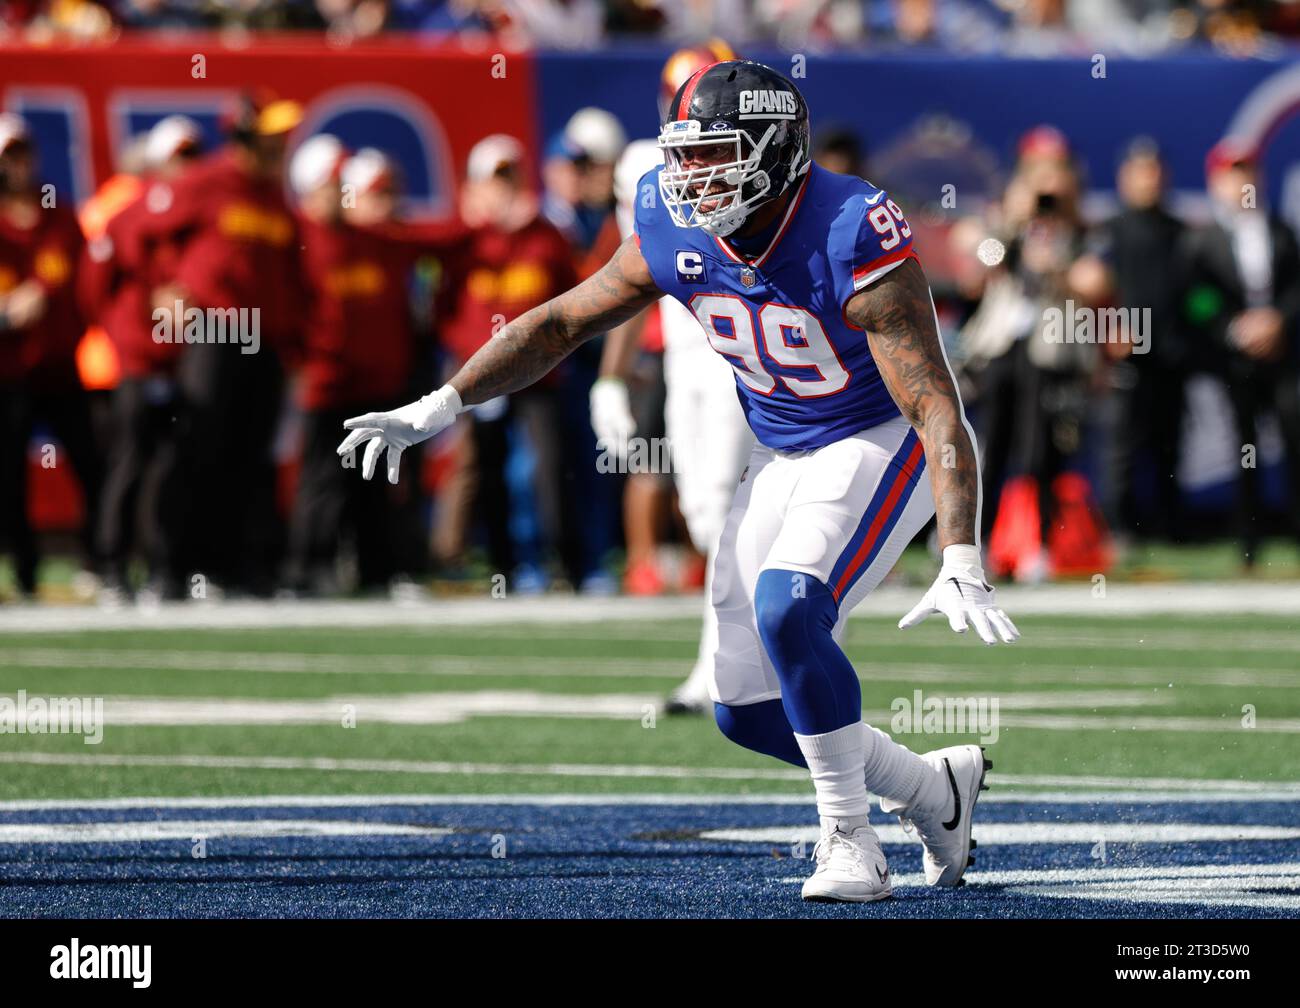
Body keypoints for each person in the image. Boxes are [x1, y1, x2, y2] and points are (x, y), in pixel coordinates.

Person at [338, 60, 1017, 904]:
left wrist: (960, 550)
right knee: (744, 709)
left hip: (879, 438)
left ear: (774, 153)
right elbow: (562, 322)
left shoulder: (849, 225)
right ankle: (930, 789)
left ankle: (850, 842)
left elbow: (934, 404)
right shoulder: (670, 216)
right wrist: (443, 403)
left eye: (713, 155)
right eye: (683, 155)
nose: (689, 176)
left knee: (788, 605)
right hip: (779, 451)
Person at [1182, 139, 1300, 567]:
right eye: (1232, 175)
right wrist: (1235, 327)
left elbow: (1295, 288)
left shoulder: (1281, 230)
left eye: (1247, 172)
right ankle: (1248, 540)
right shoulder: (1204, 241)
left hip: (1283, 356)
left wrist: (1277, 321)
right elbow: (1197, 299)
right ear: (1216, 183)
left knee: (1294, 438)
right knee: (1243, 447)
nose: (1241, 183)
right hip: (1237, 361)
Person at [0, 112, 100, 600]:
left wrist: (35, 293)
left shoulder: (58, 216)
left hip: (59, 365)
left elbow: (72, 282)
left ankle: (99, 561)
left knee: (91, 462)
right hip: (9, 369)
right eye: (7, 157)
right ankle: (24, 573)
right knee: (10, 475)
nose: (16, 166)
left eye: (21, 154)